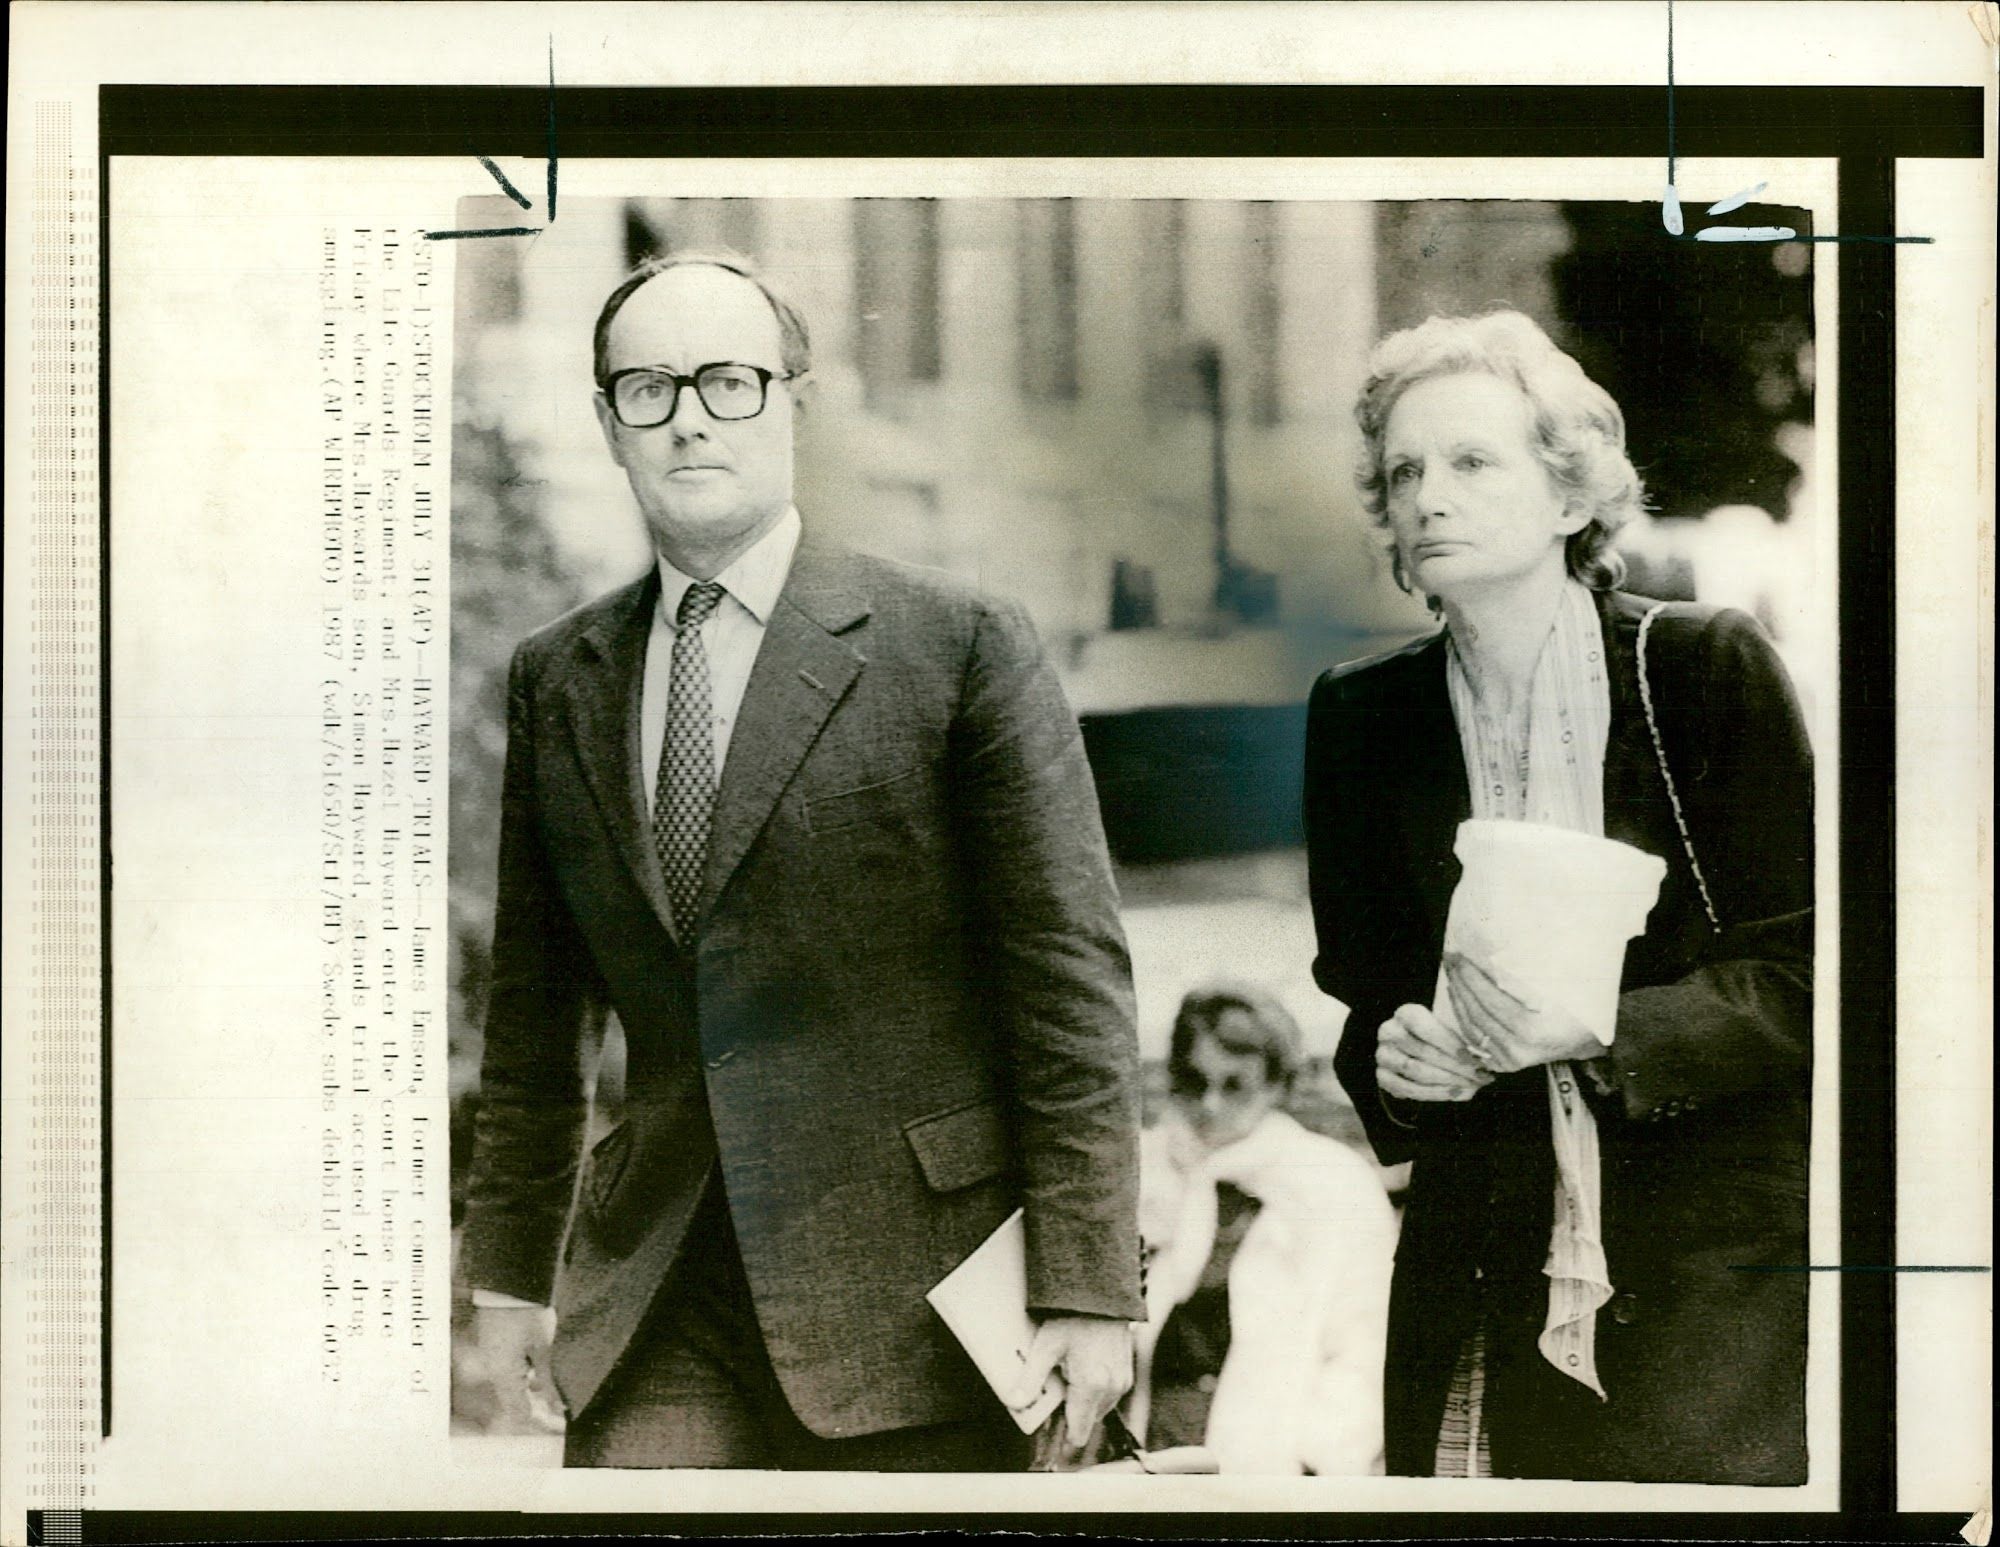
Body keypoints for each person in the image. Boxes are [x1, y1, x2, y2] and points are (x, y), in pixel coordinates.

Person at [459, 252, 1142, 1470]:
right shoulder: (559, 676)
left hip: (914, 1290)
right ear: (608, 423)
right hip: (664, 1281)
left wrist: (1090, 1286)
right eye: (649, 387)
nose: (689, 419)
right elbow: (532, 1020)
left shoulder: (957, 643)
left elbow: (1068, 985)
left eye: (728, 380)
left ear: (797, 404)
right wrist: (509, 1273)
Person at [1304, 310, 1812, 1483]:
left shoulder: (1699, 671)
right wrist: (1399, 1059)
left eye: (1471, 461)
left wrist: (1601, 1033)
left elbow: (1819, 973)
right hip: (1477, 1252)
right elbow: (1364, 1000)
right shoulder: (1361, 717)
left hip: (1699, 1269)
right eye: (1403, 470)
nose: (1427, 495)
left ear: (1570, 493)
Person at [1129, 985, 1397, 1475]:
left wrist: (1316, 1459)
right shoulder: (1142, 1168)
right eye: (1194, 1082)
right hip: (1147, 1444)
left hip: (1270, 1460)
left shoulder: (1333, 1182)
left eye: (1235, 1085)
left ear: (1277, 1083)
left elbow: (1366, 1343)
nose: (1210, 1106)